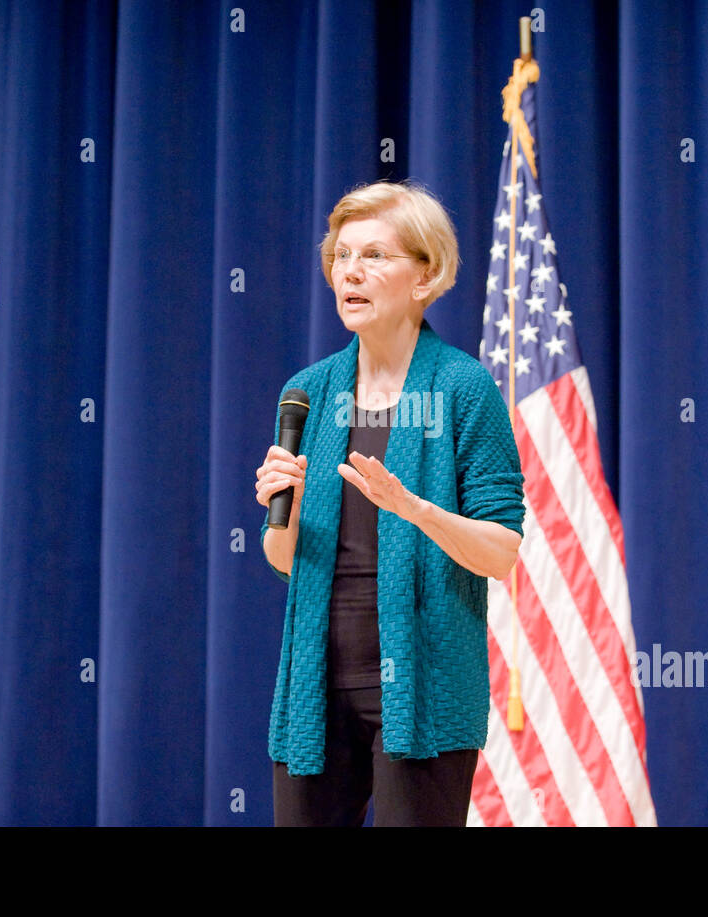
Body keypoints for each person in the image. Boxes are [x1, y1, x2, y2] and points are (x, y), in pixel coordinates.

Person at [254, 180, 525, 827]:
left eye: (374, 255)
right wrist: (277, 502)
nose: (351, 270)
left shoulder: (463, 388)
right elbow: (283, 557)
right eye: (342, 256)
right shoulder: (309, 392)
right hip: (316, 683)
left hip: (424, 683)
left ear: (426, 275)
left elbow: (502, 552)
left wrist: (417, 510)